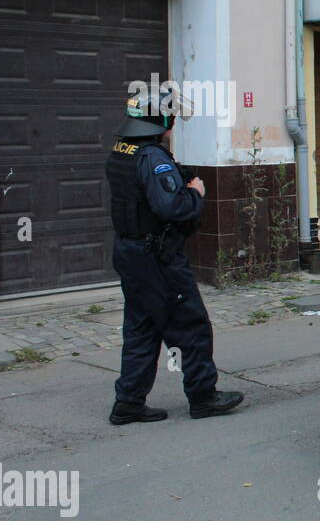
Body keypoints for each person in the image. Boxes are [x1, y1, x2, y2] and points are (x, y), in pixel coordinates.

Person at [105, 90, 244, 424]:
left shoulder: (121, 150)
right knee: (190, 325)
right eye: (171, 117)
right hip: (158, 258)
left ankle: (128, 401)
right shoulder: (154, 157)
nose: (173, 123)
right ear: (160, 119)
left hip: (131, 252)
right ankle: (203, 397)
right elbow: (171, 207)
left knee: (142, 327)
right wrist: (196, 194)